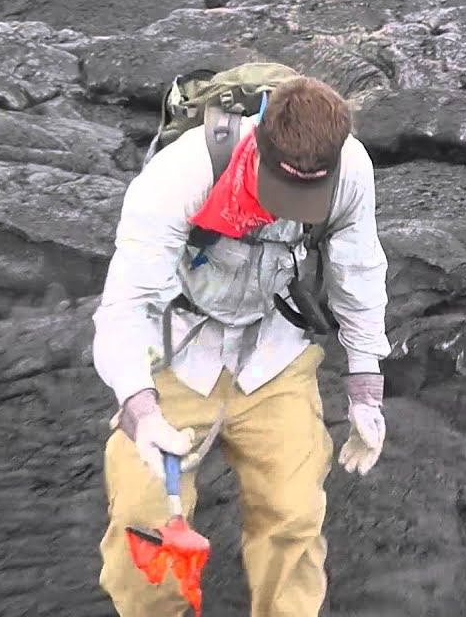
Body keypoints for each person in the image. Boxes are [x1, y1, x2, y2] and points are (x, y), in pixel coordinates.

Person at [90, 75, 392, 617]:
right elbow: (125, 307)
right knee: (146, 519)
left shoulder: (351, 169)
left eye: (307, 197)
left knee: (294, 514)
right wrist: (140, 410)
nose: (290, 209)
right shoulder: (182, 173)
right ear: (258, 145)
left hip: (273, 350)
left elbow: (359, 270)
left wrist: (366, 384)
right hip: (178, 349)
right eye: (282, 191)